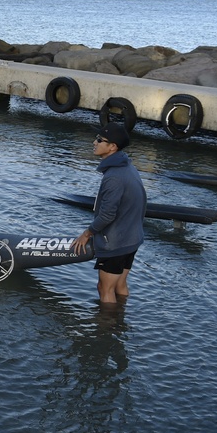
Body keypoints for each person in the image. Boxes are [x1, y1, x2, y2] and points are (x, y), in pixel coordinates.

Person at [72, 123, 147, 306]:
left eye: (99, 140)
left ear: (112, 147)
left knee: (104, 289)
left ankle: (105, 330)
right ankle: (120, 324)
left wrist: (87, 233)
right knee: (120, 285)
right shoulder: (128, 167)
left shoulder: (113, 177)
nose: (94, 142)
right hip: (132, 239)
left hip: (115, 243)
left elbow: (107, 216)